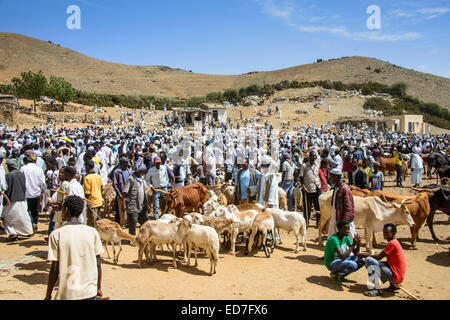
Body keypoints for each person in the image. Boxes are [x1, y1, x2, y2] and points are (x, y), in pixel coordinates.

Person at [45, 195, 104, 300]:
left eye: (62, 209)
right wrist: (98, 287)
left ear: (66, 210)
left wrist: (48, 294)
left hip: (68, 293)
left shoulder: (57, 234)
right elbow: (98, 263)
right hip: (89, 292)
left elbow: (55, 268)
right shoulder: (92, 232)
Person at [358, 223, 407, 297]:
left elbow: (379, 257)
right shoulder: (395, 242)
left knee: (369, 260)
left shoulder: (392, 243)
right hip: (398, 276)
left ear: (393, 233)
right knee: (380, 263)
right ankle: (392, 286)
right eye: (384, 232)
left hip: (396, 276)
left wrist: (365, 255)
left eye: (387, 233)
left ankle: (375, 289)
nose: (384, 234)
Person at [2, 159, 33, 241]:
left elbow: (5, 188)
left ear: (9, 166)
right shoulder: (22, 174)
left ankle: (12, 233)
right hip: (22, 198)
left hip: (11, 200)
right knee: (23, 216)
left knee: (7, 217)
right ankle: (28, 231)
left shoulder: (8, 176)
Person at [324, 220, 363, 285]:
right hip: (332, 263)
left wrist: (358, 244)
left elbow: (355, 253)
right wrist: (353, 245)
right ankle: (335, 274)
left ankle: (341, 276)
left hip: (341, 260)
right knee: (353, 265)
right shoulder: (334, 239)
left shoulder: (346, 237)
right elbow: (342, 256)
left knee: (361, 261)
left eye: (348, 229)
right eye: (345, 229)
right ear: (339, 229)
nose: (348, 231)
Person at [20, 153, 46, 232]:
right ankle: (34, 223)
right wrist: (43, 191)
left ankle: (30, 225)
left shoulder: (23, 168)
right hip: (36, 193)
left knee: (27, 210)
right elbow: (42, 183)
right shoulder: (39, 169)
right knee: (35, 211)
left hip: (25, 193)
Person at [328, 168, 356, 239]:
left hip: (344, 221)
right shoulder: (335, 187)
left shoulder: (345, 189)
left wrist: (345, 222)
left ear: (336, 177)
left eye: (331, 176)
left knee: (349, 239)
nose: (330, 178)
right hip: (336, 217)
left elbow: (349, 207)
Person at [122, 164, 149, 236]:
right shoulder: (131, 179)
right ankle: (132, 238)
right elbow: (124, 192)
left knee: (144, 221)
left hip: (142, 205)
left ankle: (143, 237)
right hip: (133, 205)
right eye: (142, 171)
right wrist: (124, 204)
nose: (143, 173)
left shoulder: (142, 179)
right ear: (137, 171)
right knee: (133, 223)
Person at [300, 151, 321, 226]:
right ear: (309, 157)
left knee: (317, 206)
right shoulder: (304, 166)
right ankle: (306, 222)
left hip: (317, 187)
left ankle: (318, 222)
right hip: (307, 189)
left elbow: (318, 174)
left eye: (315, 156)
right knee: (307, 207)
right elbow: (301, 177)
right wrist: (303, 186)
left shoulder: (317, 165)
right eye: (312, 156)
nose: (314, 158)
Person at [83, 160, 103, 227]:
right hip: (99, 201)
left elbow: (87, 192)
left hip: (92, 202)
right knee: (97, 222)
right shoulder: (98, 176)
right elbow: (101, 187)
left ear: (88, 167)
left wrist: (87, 202)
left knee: (91, 223)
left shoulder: (87, 178)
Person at [113, 157, 131, 225]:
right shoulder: (117, 172)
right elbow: (115, 184)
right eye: (126, 162)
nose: (127, 164)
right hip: (121, 193)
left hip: (128, 193)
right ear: (122, 163)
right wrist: (119, 194)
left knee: (128, 209)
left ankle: (128, 222)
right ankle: (122, 224)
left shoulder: (128, 171)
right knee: (122, 210)